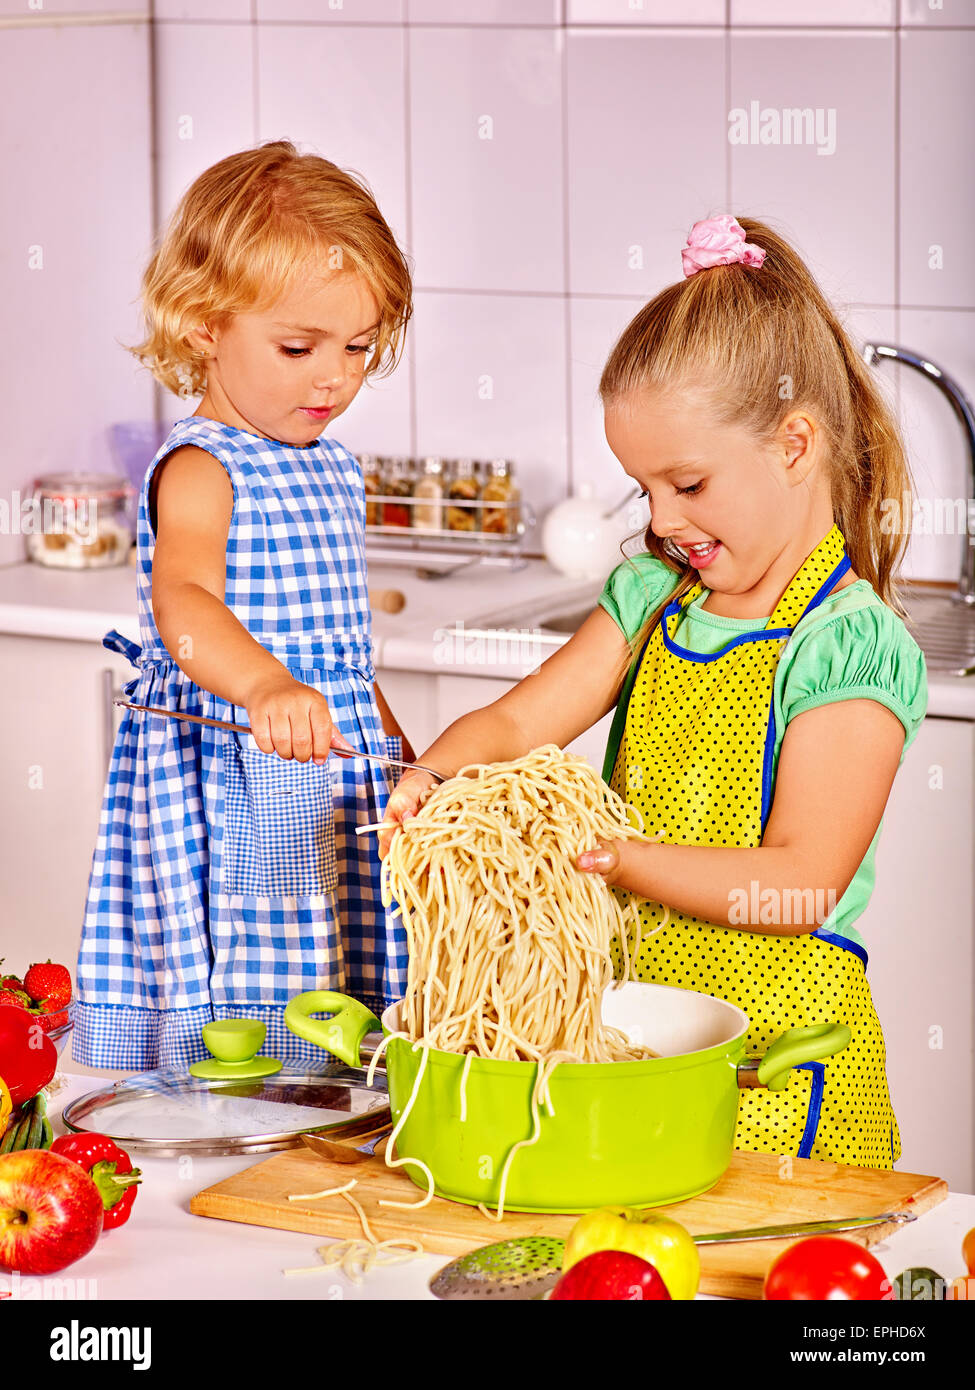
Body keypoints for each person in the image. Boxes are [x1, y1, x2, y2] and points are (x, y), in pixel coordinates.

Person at [381, 215, 927, 1168]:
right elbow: (520, 719)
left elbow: (798, 885)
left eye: (689, 483)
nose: (664, 520)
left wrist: (607, 857)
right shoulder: (649, 599)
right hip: (636, 1035)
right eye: (645, 492)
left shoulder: (848, 647)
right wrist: (434, 776)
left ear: (795, 446)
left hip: (776, 1068)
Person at [74, 141, 415, 1069]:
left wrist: (392, 746)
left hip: (325, 756)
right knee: (257, 961)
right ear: (200, 324)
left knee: (341, 957)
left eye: (359, 348)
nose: (333, 378)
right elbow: (181, 600)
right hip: (239, 764)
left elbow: (343, 655)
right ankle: (243, 1107)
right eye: (299, 347)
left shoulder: (329, 464)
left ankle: (319, 1118)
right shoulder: (202, 466)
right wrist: (263, 687)